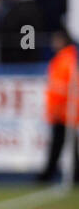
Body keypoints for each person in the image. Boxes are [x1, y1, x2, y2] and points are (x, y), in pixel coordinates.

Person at [39, 28, 78, 182]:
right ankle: (73, 175)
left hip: (64, 112)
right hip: (63, 111)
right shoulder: (64, 59)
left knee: (59, 144)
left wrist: (59, 109)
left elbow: (64, 89)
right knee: (67, 144)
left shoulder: (66, 61)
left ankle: (48, 174)